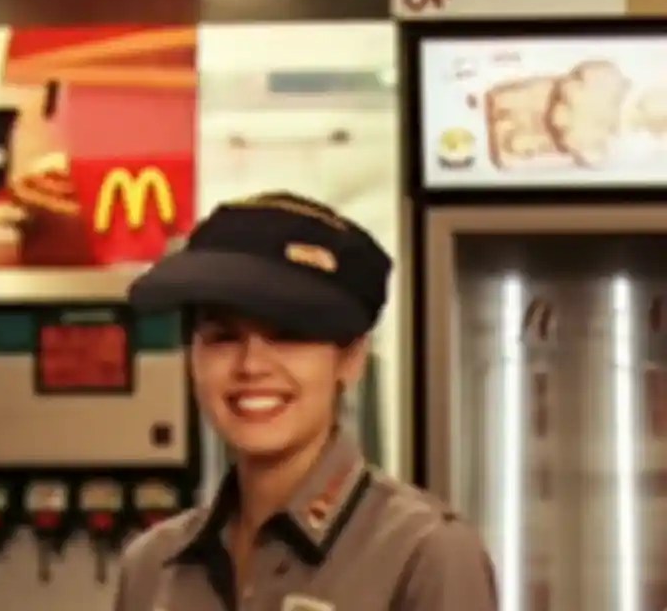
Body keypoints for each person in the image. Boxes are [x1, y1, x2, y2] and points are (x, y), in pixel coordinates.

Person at [116, 191, 497, 611]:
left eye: (289, 334)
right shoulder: (152, 567)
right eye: (223, 336)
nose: (251, 365)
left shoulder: (424, 554)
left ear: (350, 359)